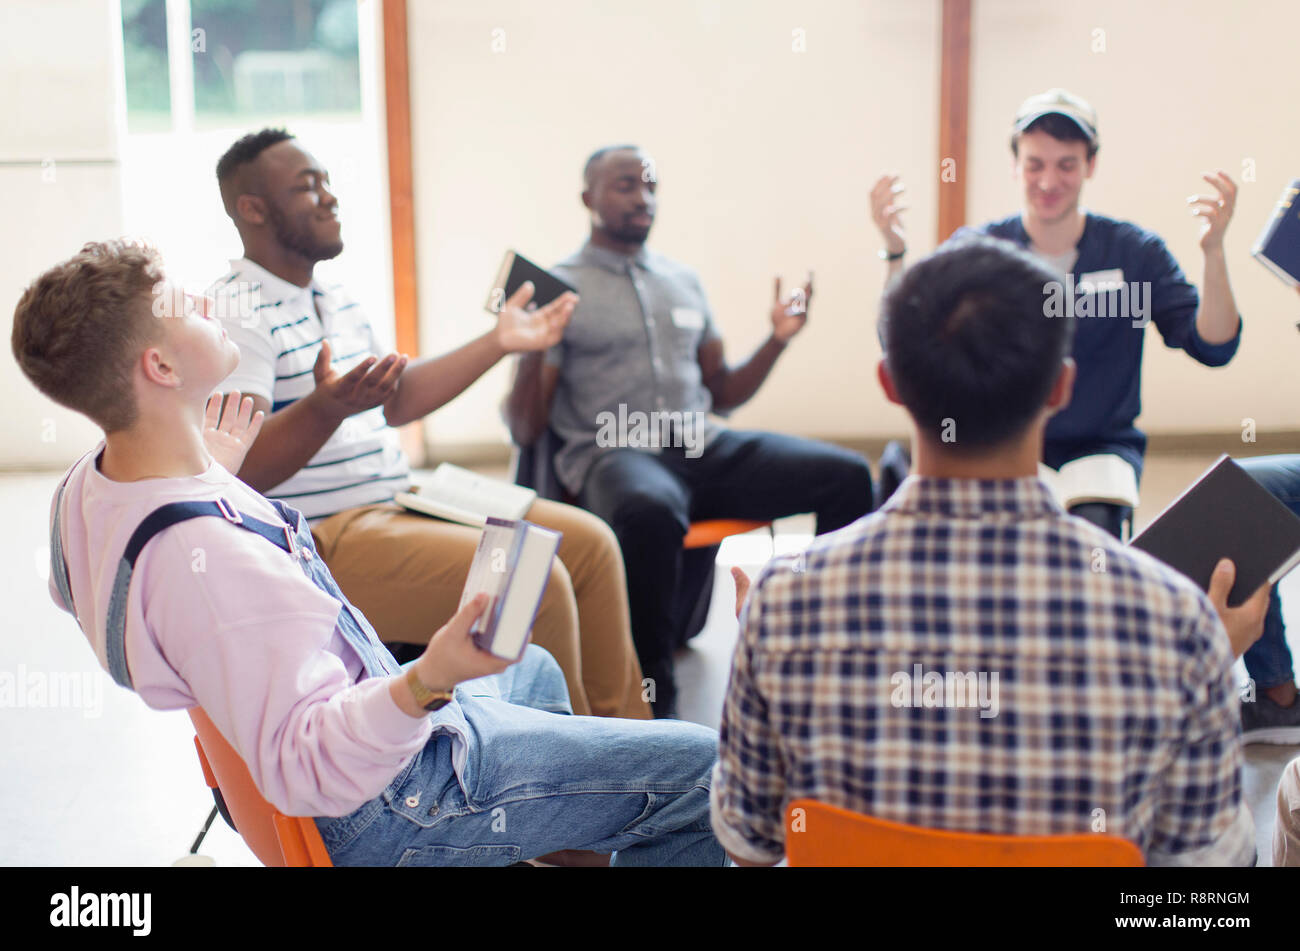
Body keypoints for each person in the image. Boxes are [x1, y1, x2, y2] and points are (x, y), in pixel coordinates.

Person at [14, 239, 725, 866]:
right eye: (186, 307)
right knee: (703, 772)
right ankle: (527, 826)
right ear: (162, 366)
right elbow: (307, 767)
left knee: (532, 666)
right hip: (392, 805)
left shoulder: (93, 485)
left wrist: (211, 479)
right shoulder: (218, 561)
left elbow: (81, 586)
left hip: (357, 750)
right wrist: (432, 676)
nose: (206, 300)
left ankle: (548, 834)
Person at [710, 236, 1267, 866]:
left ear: (889, 383)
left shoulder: (784, 603)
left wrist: (769, 651)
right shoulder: (1177, 623)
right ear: (1060, 388)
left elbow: (748, 842)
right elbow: (1204, 885)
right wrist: (1208, 668)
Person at [209, 128, 650, 720]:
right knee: (532, 583)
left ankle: (629, 747)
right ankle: (569, 773)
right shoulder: (238, 309)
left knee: (593, 546)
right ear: (253, 208)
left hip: (400, 497)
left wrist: (500, 340)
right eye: (307, 187)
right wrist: (326, 407)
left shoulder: (333, 297)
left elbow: (398, 400)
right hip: (326, 534)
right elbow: (239, 467)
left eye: (329, 182)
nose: (330, 197)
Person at [506, 144, 874, 717]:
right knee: (647, 511)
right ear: (588, 198)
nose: (642, 197)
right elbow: (526, 424)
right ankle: (657, 711)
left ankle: (827, 667)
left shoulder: (683, 281)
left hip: (702, 444)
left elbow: (723, 391)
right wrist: (531, 348)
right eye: (625, 185)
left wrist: (778, 339)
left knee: (848, 476)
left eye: (649, 185)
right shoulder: (560, 288)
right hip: (617, 450)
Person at [871, 88, 1243, 540]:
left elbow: (1213, 346)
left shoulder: (1135, 253)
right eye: (1035, 164)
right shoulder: (980, 251)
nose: (1049, 181)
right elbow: (899, 340)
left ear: (1090, 165)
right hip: (997, 438)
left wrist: (1214, 253)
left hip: (1100, 449)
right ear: (1015, 166)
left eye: (1066, 164)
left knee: (1091, 538)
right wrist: (894, 252)